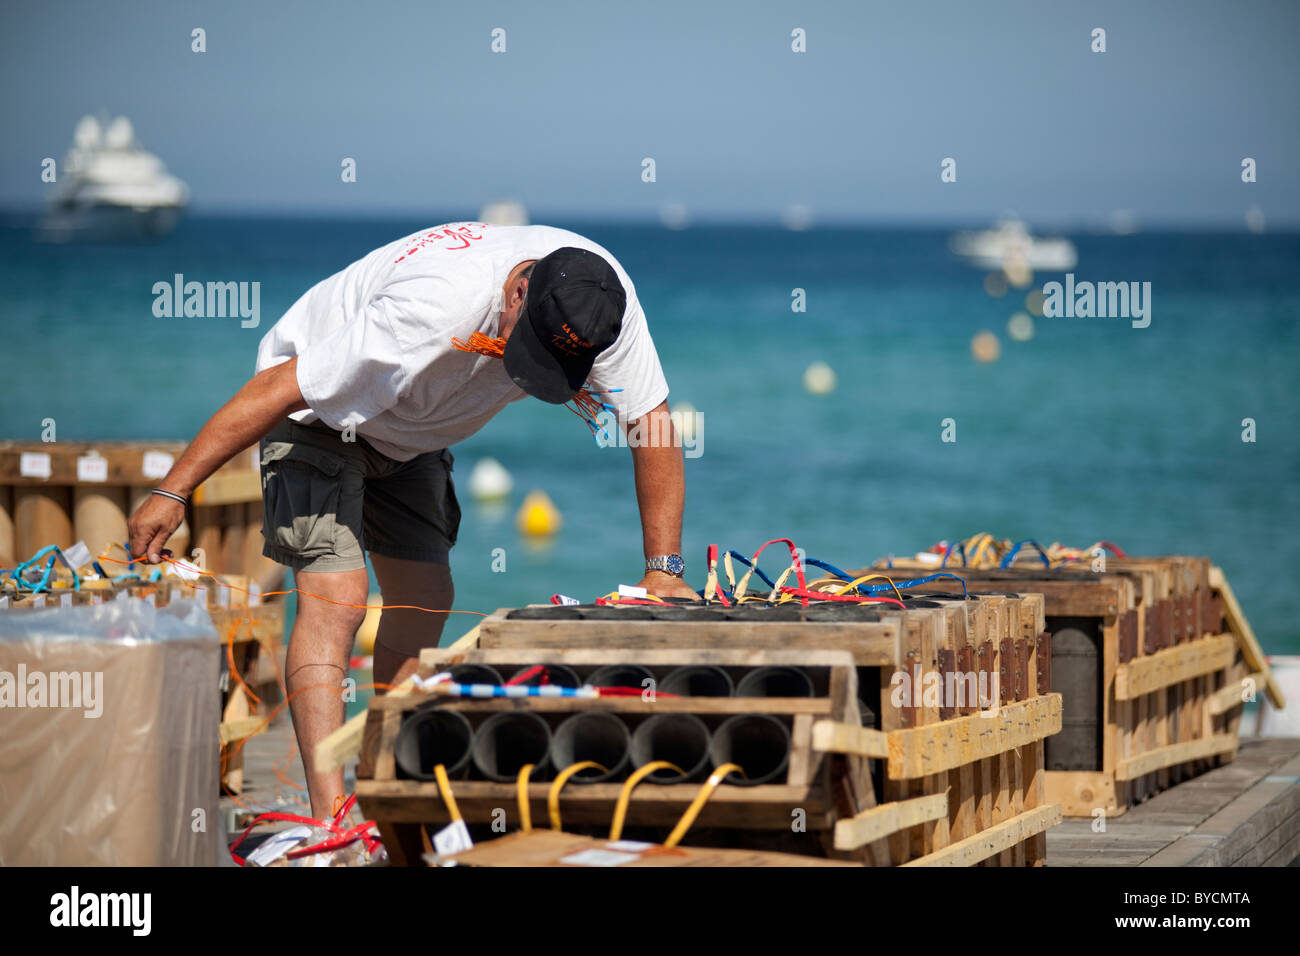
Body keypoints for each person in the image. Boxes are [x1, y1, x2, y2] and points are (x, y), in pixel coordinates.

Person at [127, 222, 695, 816]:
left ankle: (380, 784)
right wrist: (174, 489)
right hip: (319, 421)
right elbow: (276, 388)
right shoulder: (428, 310)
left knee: (427, 593)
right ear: (517, 294)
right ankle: (329, 817)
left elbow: (651, 425)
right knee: (338, 598)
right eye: (531, 352)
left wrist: (662, 569)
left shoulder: (604, 304)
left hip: (412, 435)